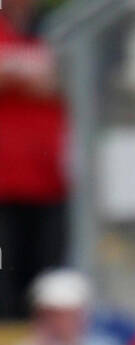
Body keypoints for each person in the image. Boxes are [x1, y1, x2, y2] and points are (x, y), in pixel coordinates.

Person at [0, 0, 70, 320]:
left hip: (49, 180)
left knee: (46, 279)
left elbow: (72, 75)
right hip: (7, 181)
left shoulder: (54, 28)